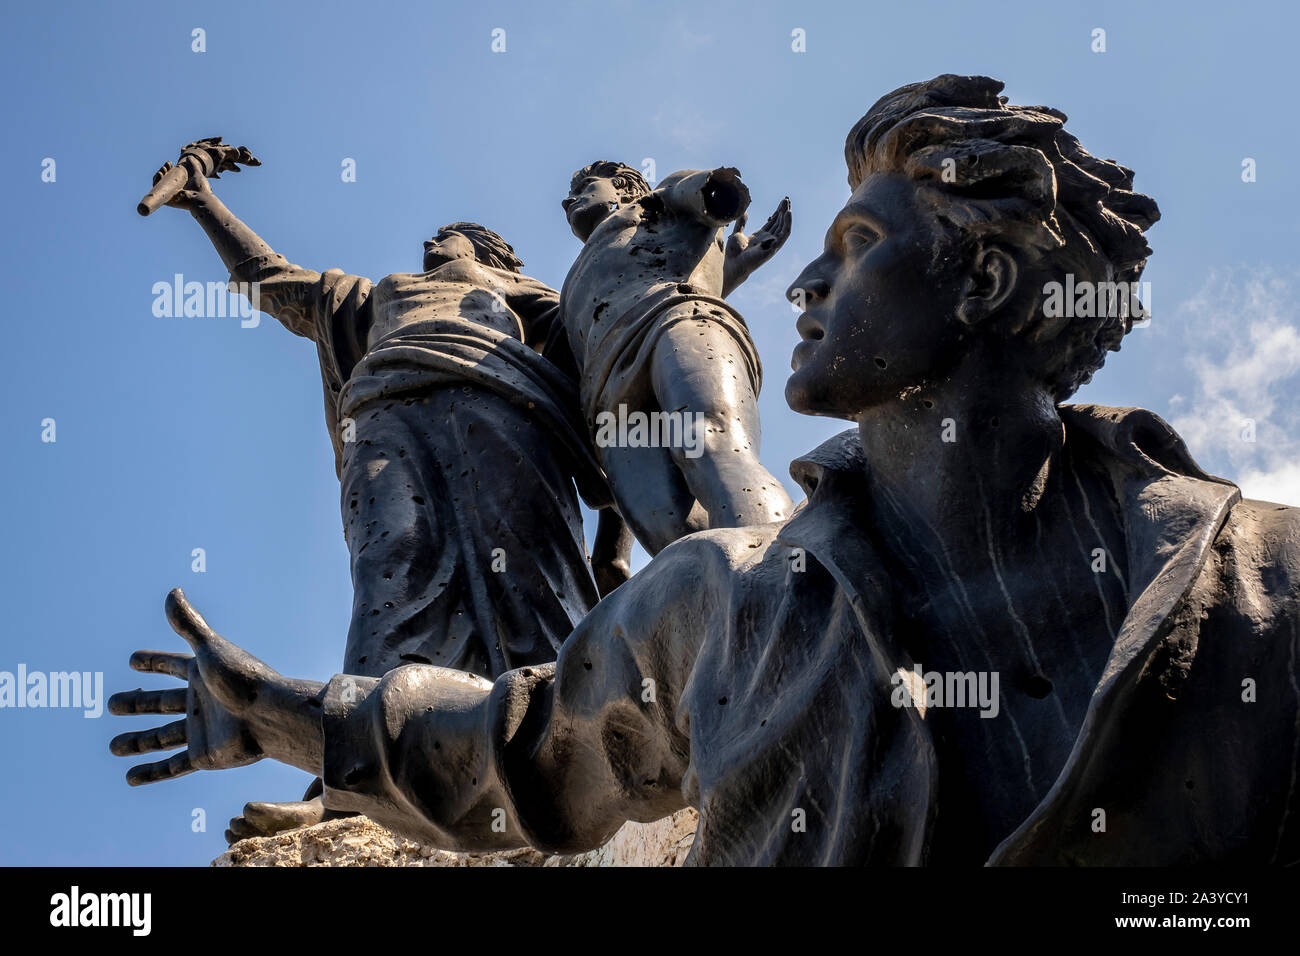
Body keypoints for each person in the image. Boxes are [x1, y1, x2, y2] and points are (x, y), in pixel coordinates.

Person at [112, 76, 1300, 865]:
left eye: (859, 245)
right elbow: (515, 741)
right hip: (460, 423)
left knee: (714, 471)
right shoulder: (716, 606)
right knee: (480, 567)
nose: (808, 288)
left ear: (982, 284)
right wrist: (277, 714)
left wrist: (700, 216)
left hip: (608, 389)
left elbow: (690, 216)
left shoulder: (1263, 585)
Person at [141, 157, 614, 841]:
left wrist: (615, 548)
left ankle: (578, 755)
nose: (430, 246)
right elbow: (269, 280)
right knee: (393, 578)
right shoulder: (368, 299)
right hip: (386, 416)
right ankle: (351, 784)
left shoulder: (527, 293)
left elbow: (606, 371)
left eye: (447, 236)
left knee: (530, 585)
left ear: (488, 249)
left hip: (508, 411)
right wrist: (203, 203)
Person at [559, 161, 795, 554]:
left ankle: (780, 568)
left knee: (712, 445)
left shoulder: (652, 203)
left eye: (586, 187)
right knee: (663, 520)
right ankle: (721, 600)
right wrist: (729, 268)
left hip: (679, 321)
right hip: (607, 395)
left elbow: (698, 192)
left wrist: (715, 197)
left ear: (621, 186)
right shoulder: (570, 285)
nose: (570, 200)